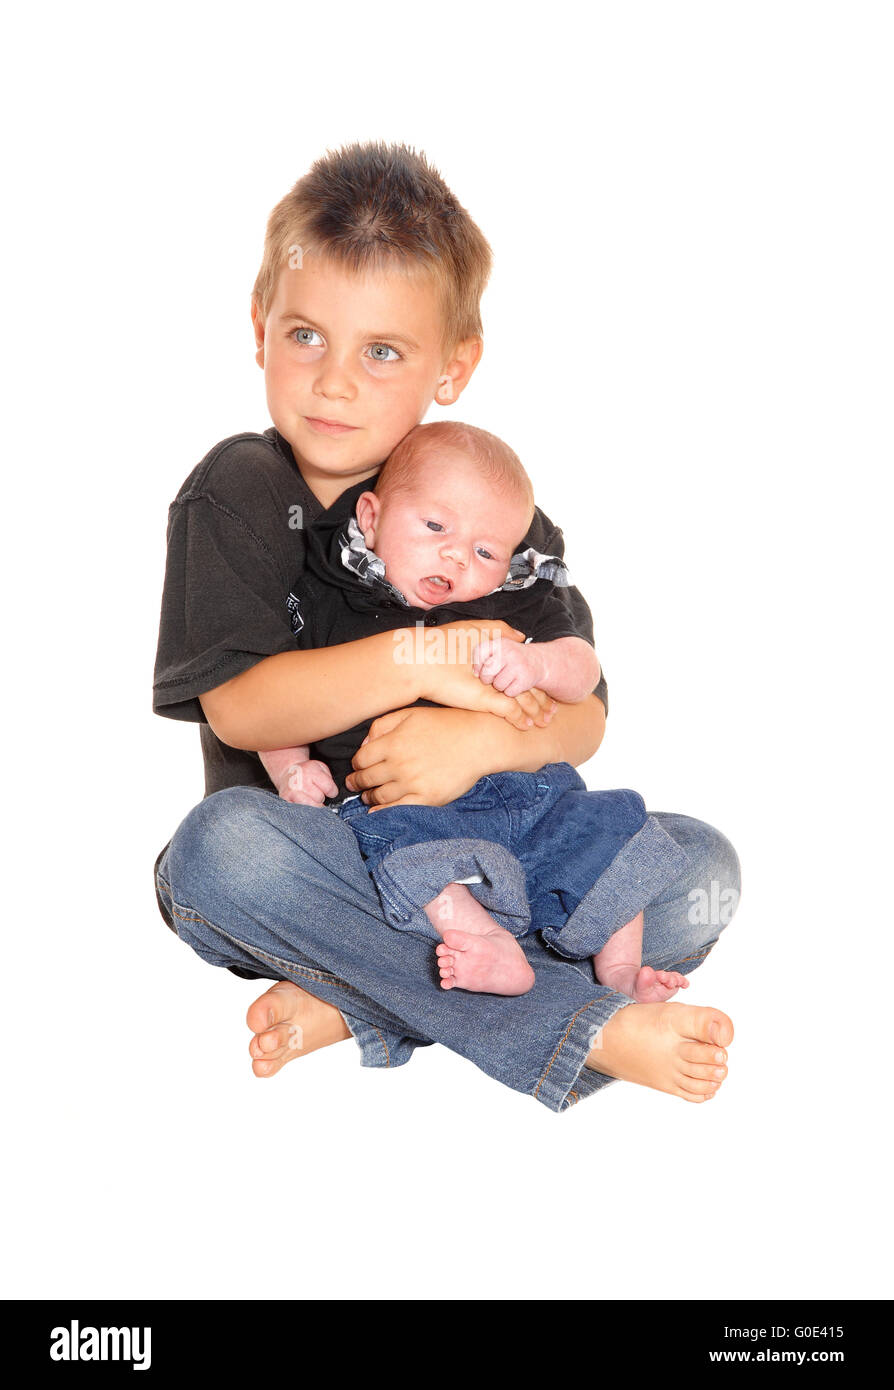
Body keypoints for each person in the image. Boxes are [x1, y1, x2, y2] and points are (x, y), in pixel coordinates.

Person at [153, 141, 739, 1112]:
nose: (336, 381)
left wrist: (469, 741)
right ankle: (582, 1022)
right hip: (322, 857)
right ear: (260, 328)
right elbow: (242, 707)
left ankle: (360, 998)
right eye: (307, 336)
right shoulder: (243, 490)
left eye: (381, 350)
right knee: (221, 852)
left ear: (452, 364)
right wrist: (426, 657)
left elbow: (585, 716)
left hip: (500, 853)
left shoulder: (490, 508)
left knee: (703, 865)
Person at [259, 419, 693, 1004]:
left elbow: (584, 672)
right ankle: (490, 945)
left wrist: (538, 665)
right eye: (435, 526)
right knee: (402, 859)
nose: (455, 555)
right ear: (371, 516)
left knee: (614, 834)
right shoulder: (330, 599)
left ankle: (618, 974)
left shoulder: (514, 599)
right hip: (401, 810)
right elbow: (277, 705)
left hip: (526, 799)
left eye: (485, 550)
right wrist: (290, 769)